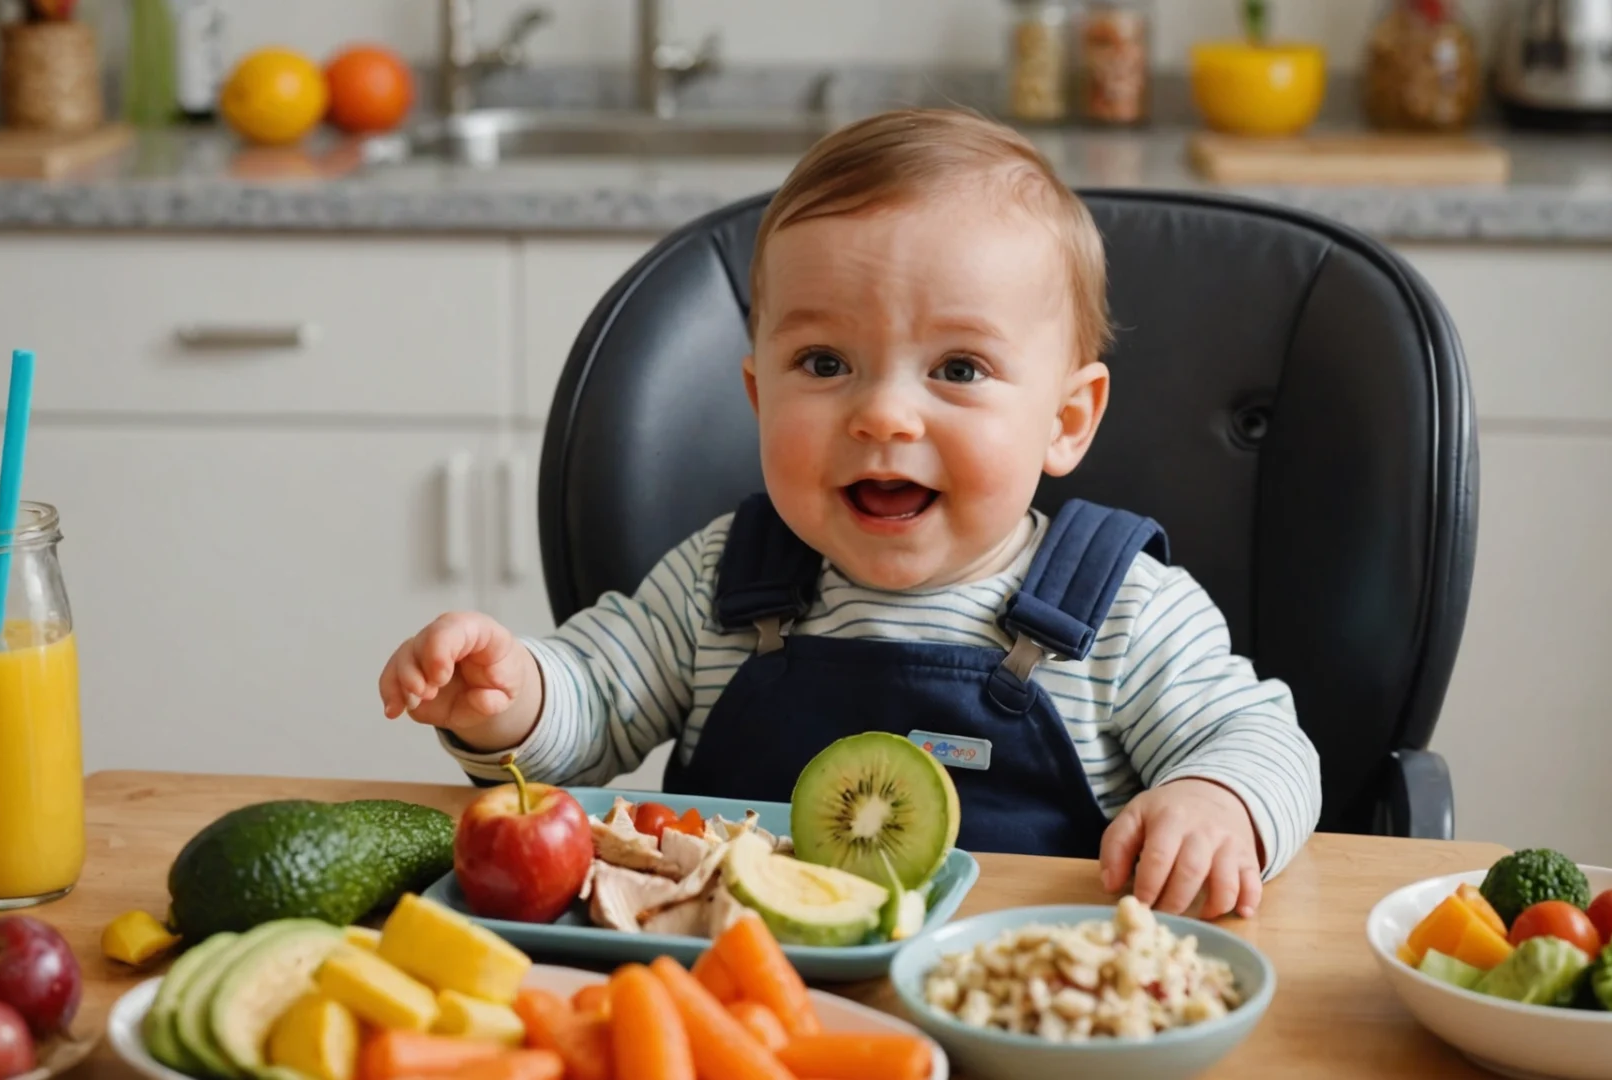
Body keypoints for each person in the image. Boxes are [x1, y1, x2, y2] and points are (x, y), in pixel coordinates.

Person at [380, 108, 1320, 920]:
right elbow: (591, 703)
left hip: (1016, 1001)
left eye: (957, 369)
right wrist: (510, 698)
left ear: (1065, 420)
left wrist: (1218, 799)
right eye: (825, 364)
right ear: (757, 396)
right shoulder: (723, 582)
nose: (881, 414)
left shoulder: (1123, 613)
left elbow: (1265, 743)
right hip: (750, 1010)